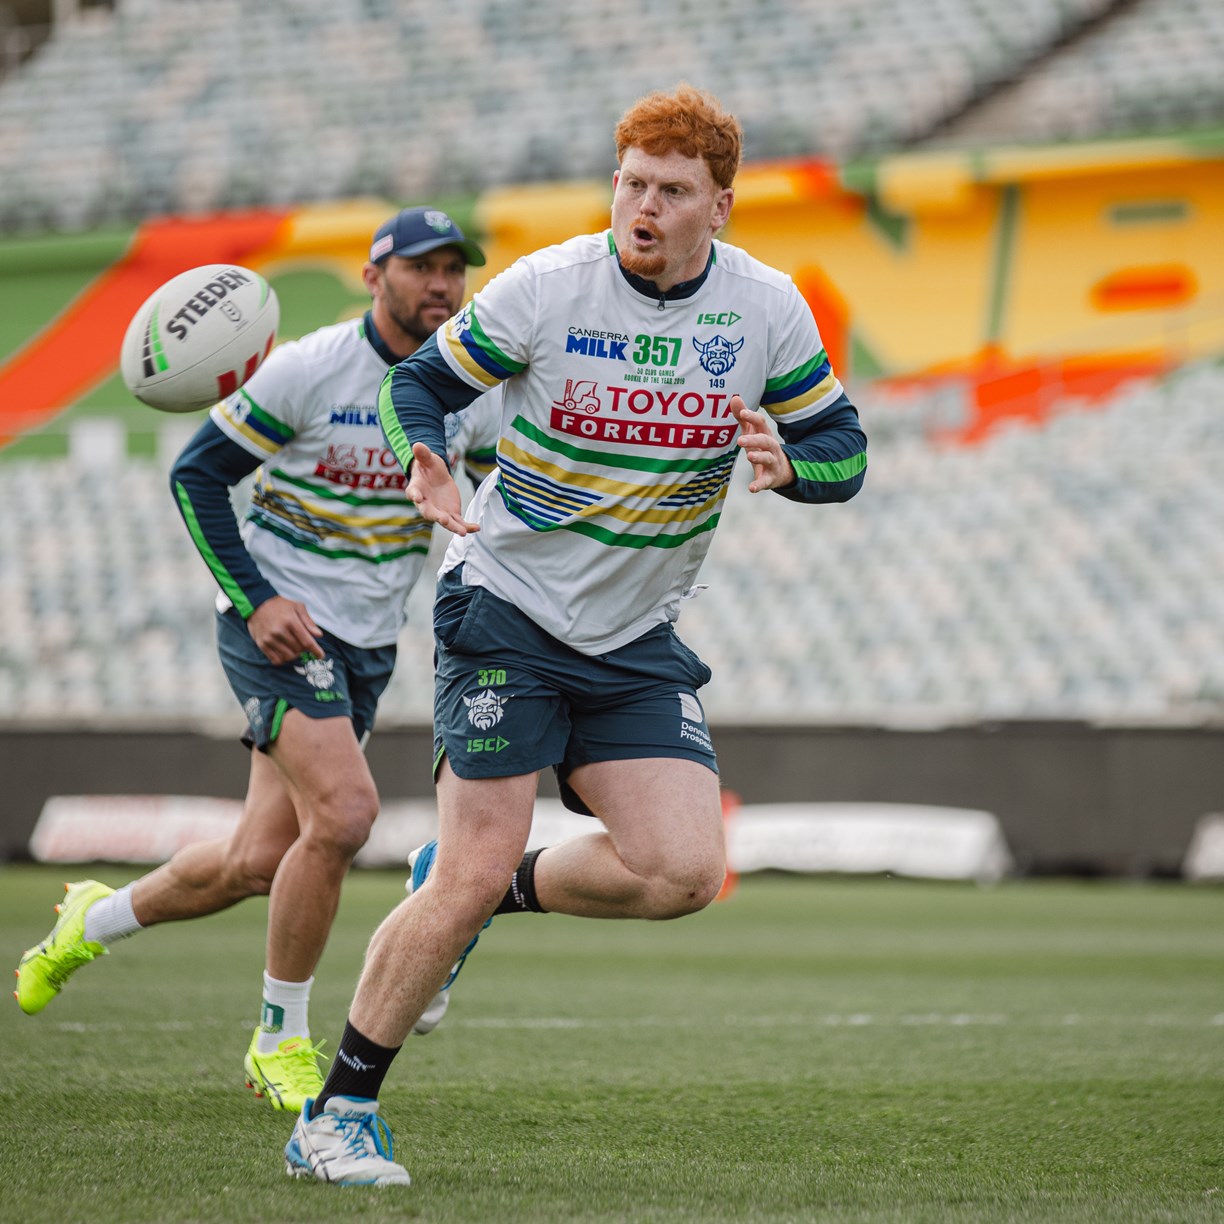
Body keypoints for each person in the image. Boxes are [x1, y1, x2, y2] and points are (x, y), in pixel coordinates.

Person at [284, 82, 867, 1188]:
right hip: (505, 607)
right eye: (633, 183)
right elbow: (418, 385)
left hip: (637, 632)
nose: (645, 207)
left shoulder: (765, 307)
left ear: (720, 207)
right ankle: (337, 1115)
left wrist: (796, 467)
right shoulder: (549, 285)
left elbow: (845, 446)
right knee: (467, 871)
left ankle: (484, 889)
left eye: (673, 191)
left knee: (684, 872)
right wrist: (425, 456)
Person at [14, 206, 499, 1114]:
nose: (441, 284)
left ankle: (91, 920)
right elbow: (197, 476)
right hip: (279, 625)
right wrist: (257, 599)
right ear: (374, 276)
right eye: (421, 266)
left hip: (367, 643)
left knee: (256, 858)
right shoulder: (308, 369)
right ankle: (280, 1039)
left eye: (453, 268)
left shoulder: (467, 392)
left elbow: (492, 498)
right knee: (347, 815)